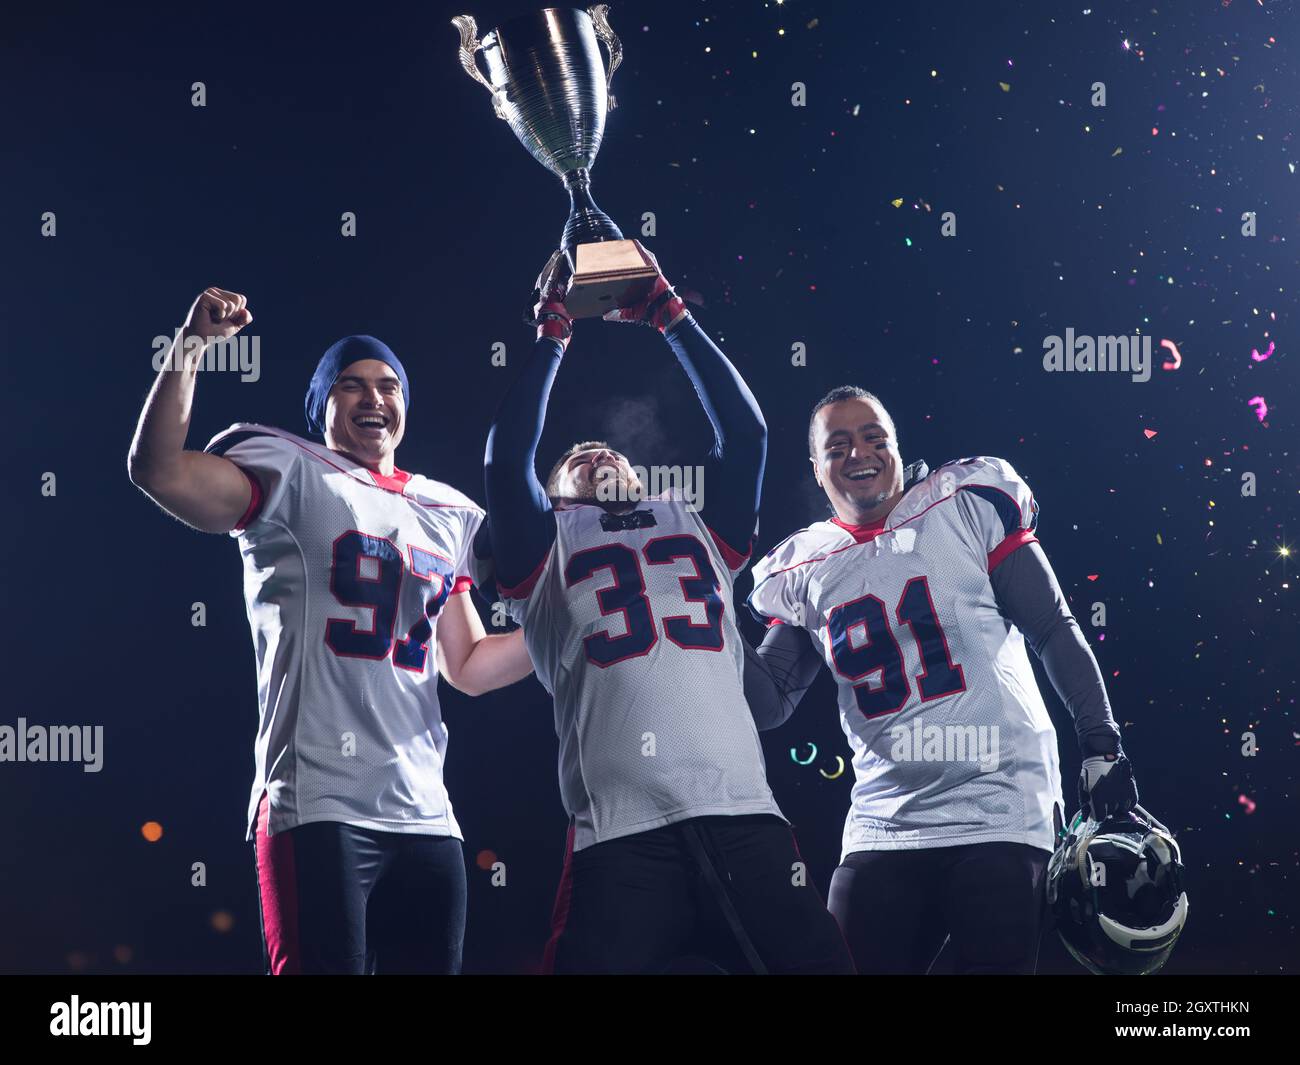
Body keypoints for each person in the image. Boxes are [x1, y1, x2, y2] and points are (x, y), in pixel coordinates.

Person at [127, 287, 533, 973]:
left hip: (425, 812)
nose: (373, 398)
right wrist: (190, 345)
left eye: (388, 385)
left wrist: (559, 627)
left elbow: (466, 664)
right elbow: (157, 469)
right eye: (351, 385)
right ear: (323, 408)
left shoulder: (448, 510)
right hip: (317, 795)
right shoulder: (287, 468)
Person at [478, 248, 854, 974]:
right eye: (575, 458)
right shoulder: (544, 550)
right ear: (553, 495)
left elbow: (747, 435)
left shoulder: (692, 524)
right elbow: (505, 462)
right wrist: (553, 334)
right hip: (621, 837)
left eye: (606, 451)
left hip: (747, 818)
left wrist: (670, 315)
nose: (594, 454)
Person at [743, 385, 1139, 974]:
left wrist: (1102, 744)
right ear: (817, 467)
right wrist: (709, 616)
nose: (861, 453)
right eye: (839, 444)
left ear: (897, 446)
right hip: (883, 820)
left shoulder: (962, 504)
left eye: (875, 437)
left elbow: (1053, 627)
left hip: (998, 805)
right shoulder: (806, 567)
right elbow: (770, 701)